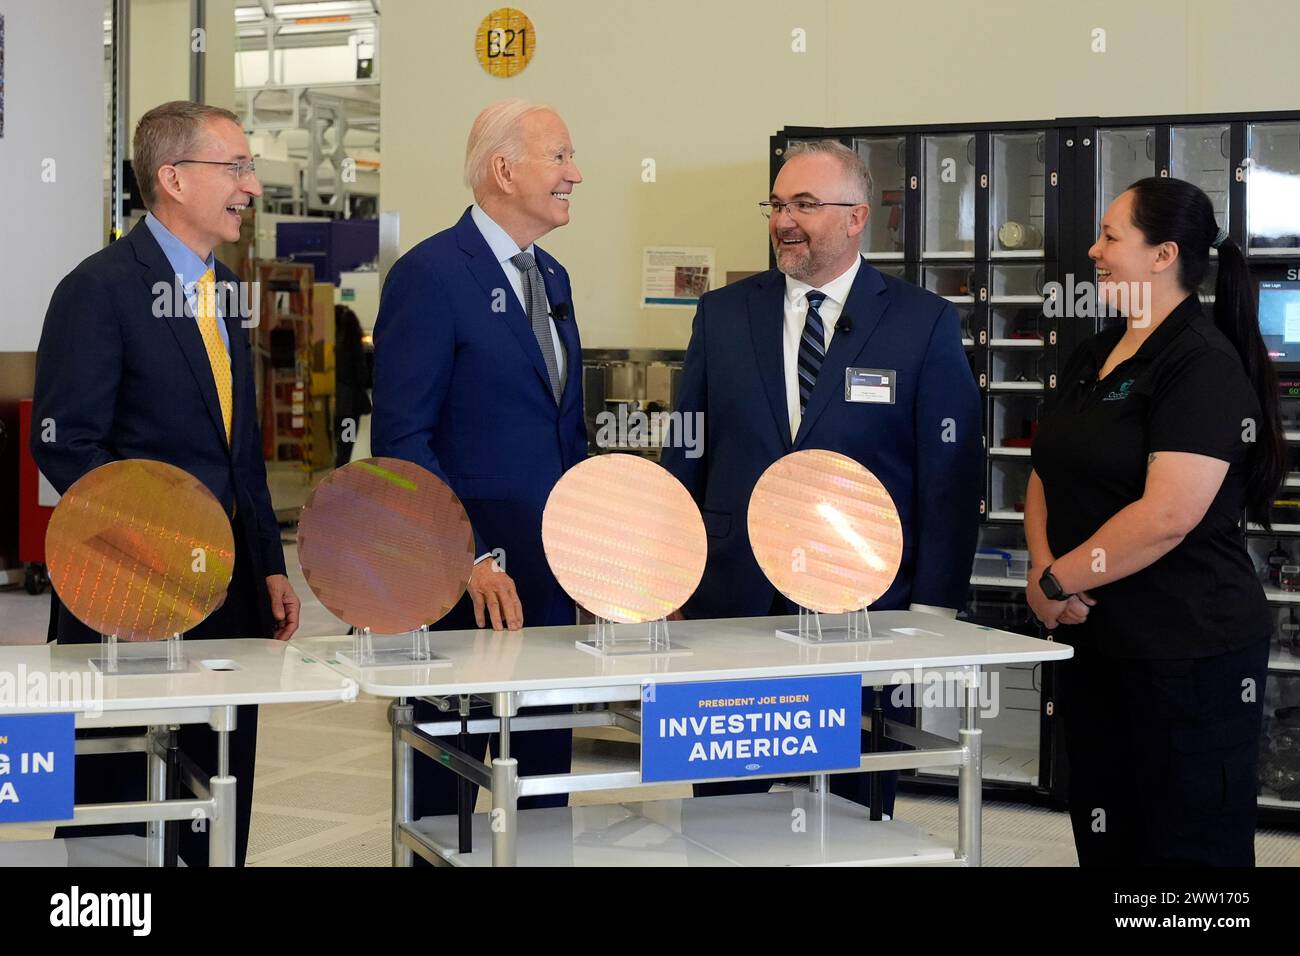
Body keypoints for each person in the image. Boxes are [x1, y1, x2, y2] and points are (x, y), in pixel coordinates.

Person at [661, 139, 982, 810]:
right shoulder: (722, 315)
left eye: (804, 204)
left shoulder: (922, 323)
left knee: (852, 814)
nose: (784, 220)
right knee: (726, 815)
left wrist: (932, 610)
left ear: (857, 217)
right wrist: (669, 580)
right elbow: (685, 453)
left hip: (865, 611)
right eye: (777, 204)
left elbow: (949, 475)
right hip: (731, 606)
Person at [31, 100, 301, 866]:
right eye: (237, 166)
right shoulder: (100, 289)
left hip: (229, 591)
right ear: (174, 178)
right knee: (116, 796)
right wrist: (154, 540)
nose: (252, 184)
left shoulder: (226, 293)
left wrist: (268, 564)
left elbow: (237, 453)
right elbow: (63, 443)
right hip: (128, 591)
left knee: (218, 782)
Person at [1027, 176, 1282, 866]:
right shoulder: (1093, 355)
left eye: (1111, 237)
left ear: (1165, 254)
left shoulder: (1201, 364)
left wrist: (1056, 584)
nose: (1093, 250)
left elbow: (1167, 514)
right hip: (1095, 640)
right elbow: (1046, 468)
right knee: (1106, 828)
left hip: (1187, 651)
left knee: (1184, 844)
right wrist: (1041, 569)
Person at [371, 99, 586, 839]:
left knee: (543, 790)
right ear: (504, 169)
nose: (575, 175)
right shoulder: (430, 275)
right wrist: (463, 559)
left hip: (548, 588)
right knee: (446, 800)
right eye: (559, 157)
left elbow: (566, 435)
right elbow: (402, 442)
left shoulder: (552, 277)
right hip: (462, 592)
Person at [333, 304, 372, 469]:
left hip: (340, 404)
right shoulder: (354, 348)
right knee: (346, 445)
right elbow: (363, 377)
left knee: (341, 444)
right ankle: (340, 476)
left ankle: (338, 474)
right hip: (350, 406)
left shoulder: (337, 347)